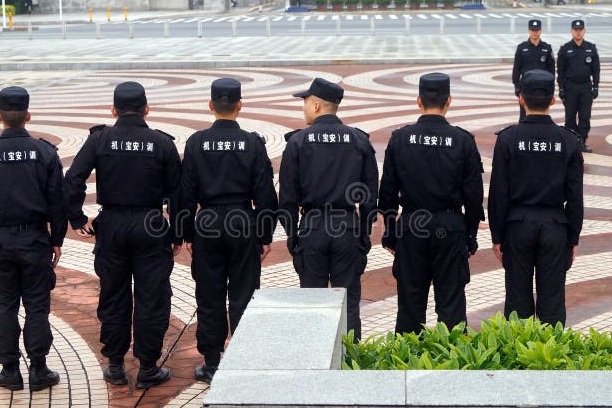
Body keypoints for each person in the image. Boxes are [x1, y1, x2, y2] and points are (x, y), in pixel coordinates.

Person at [63, 81, 181, 389]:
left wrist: (77, 218)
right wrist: (178, 233)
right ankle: (147, 367)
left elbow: (72, 180)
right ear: (146, 108)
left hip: (112, 224)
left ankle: (115, 365)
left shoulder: (100, 140)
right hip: (151, 224)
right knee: (151, 297)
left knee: (113, 294)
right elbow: (179, 194)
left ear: (114, 110)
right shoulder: (162, 143)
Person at [0, 86, 66, 392]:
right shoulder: (45, 153)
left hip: (0, 242)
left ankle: (10, 371)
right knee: (37, 306)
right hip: (35, 240)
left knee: (6, 306)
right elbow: (57, 204)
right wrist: (56, 239)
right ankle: (39, 370)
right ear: (28, 116)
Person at [180, 78, 278, 384]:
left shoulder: (196, 143)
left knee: (209, 294)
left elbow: (185, 192)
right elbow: (265, 195)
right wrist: (264, 235)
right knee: (244, 294)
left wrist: (186, 233)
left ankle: (211, 362)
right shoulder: (252, 143)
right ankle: (243, 358)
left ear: (211, 105)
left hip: (207, 222)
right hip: (242, 222)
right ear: (239, 105)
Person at [378, 73, 485, 334]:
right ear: (449, 101)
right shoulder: (462, 141)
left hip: (412, 227)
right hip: (450, 229)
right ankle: (451, 366)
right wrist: (470, 236)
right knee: (451, 308)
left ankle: (406, 365)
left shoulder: (400, 139)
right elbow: (473, 197)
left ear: (418, 101)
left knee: (410, 308)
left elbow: (388, 194)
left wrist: (391, 233)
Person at [279, 78, 378, 341]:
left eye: (305, 103)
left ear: (315, 106)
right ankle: (350, 361)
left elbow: (287, 198)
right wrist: (364, 234)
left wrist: (293, 236)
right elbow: (369, 197)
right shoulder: (358, 140)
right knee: (348, 303)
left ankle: (316, 360)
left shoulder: (298, 141)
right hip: (347, 226)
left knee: (313, 303)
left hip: (312, 227)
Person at [488, 70, 584, 327]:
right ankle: (549, 356)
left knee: (517, 298)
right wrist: (573, 237)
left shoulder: (508, 139)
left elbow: (498, 193)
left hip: (517, 225)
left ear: (521, 98)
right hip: (555, 226)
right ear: (554, 100)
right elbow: (575, 197)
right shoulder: (569, 141)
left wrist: (497, 236)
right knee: (552, 298)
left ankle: (519, 357)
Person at [557, 19, 600, 152]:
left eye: (580, 30)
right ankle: (571, 142)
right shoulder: (565, 49)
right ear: (571, 31)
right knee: (570, 117)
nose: (578, 32)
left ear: (584, 31)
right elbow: (561, 71)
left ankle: (582, 141)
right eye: (576, 30)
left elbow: (596, 69)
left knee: (584, 117)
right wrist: (561, 89)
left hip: (585, 86)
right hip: (570, 87)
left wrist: (596, 87)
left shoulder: (591, 48)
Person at [512, 19, 555, 121]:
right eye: (532, 30)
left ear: (540, 31)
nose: (534, 33)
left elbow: (551, 70)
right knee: (524, 117)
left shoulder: (547, 48)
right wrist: (517, 88)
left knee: (543, 116)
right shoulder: (522, 48)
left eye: (537, 30)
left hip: (543, 89)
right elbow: (516, 70)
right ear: (528, 31)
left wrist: (551, 88)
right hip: (526, 88)